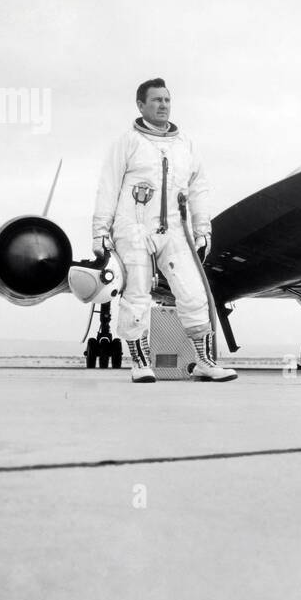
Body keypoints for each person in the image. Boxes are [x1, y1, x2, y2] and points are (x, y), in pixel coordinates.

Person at [92, 77, 236, 383]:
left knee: (194, 294)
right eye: (156, 100)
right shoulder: (128, 142)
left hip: (174, 229)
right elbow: (107, 187)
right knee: (137, 296)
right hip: (133, 229)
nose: (163, 105)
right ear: (141, 105)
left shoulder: (185, 145)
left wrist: (203, 230)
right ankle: (140, 364)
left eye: (167, 100)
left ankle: (205, 362)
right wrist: (100, 233)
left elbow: (199, 188)